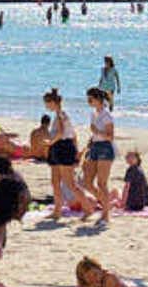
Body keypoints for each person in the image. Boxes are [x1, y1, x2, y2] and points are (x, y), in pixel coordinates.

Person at [43, 89, 84, 222]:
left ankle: (87, 207)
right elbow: (72, 134)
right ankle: (57, 210)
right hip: (58, 148)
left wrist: (50, 142)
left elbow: (61, 133)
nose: (46, 106)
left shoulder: (61, 115)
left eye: (47, 103)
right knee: (55, 181)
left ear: (53, 102)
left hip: (62, 148)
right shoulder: (59, 115)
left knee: (69, 183)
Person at [83, 87, 116, 225]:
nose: (88, 101)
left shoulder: (107, 115)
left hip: (105, 148)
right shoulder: (94, 113)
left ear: (97, 99)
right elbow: (95, 133)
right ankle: (106, 205)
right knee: (88, 183)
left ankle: (105, 214)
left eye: (90, 99)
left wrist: (97, 131)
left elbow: (110, 136)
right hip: (95, 146)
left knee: (101, 183)